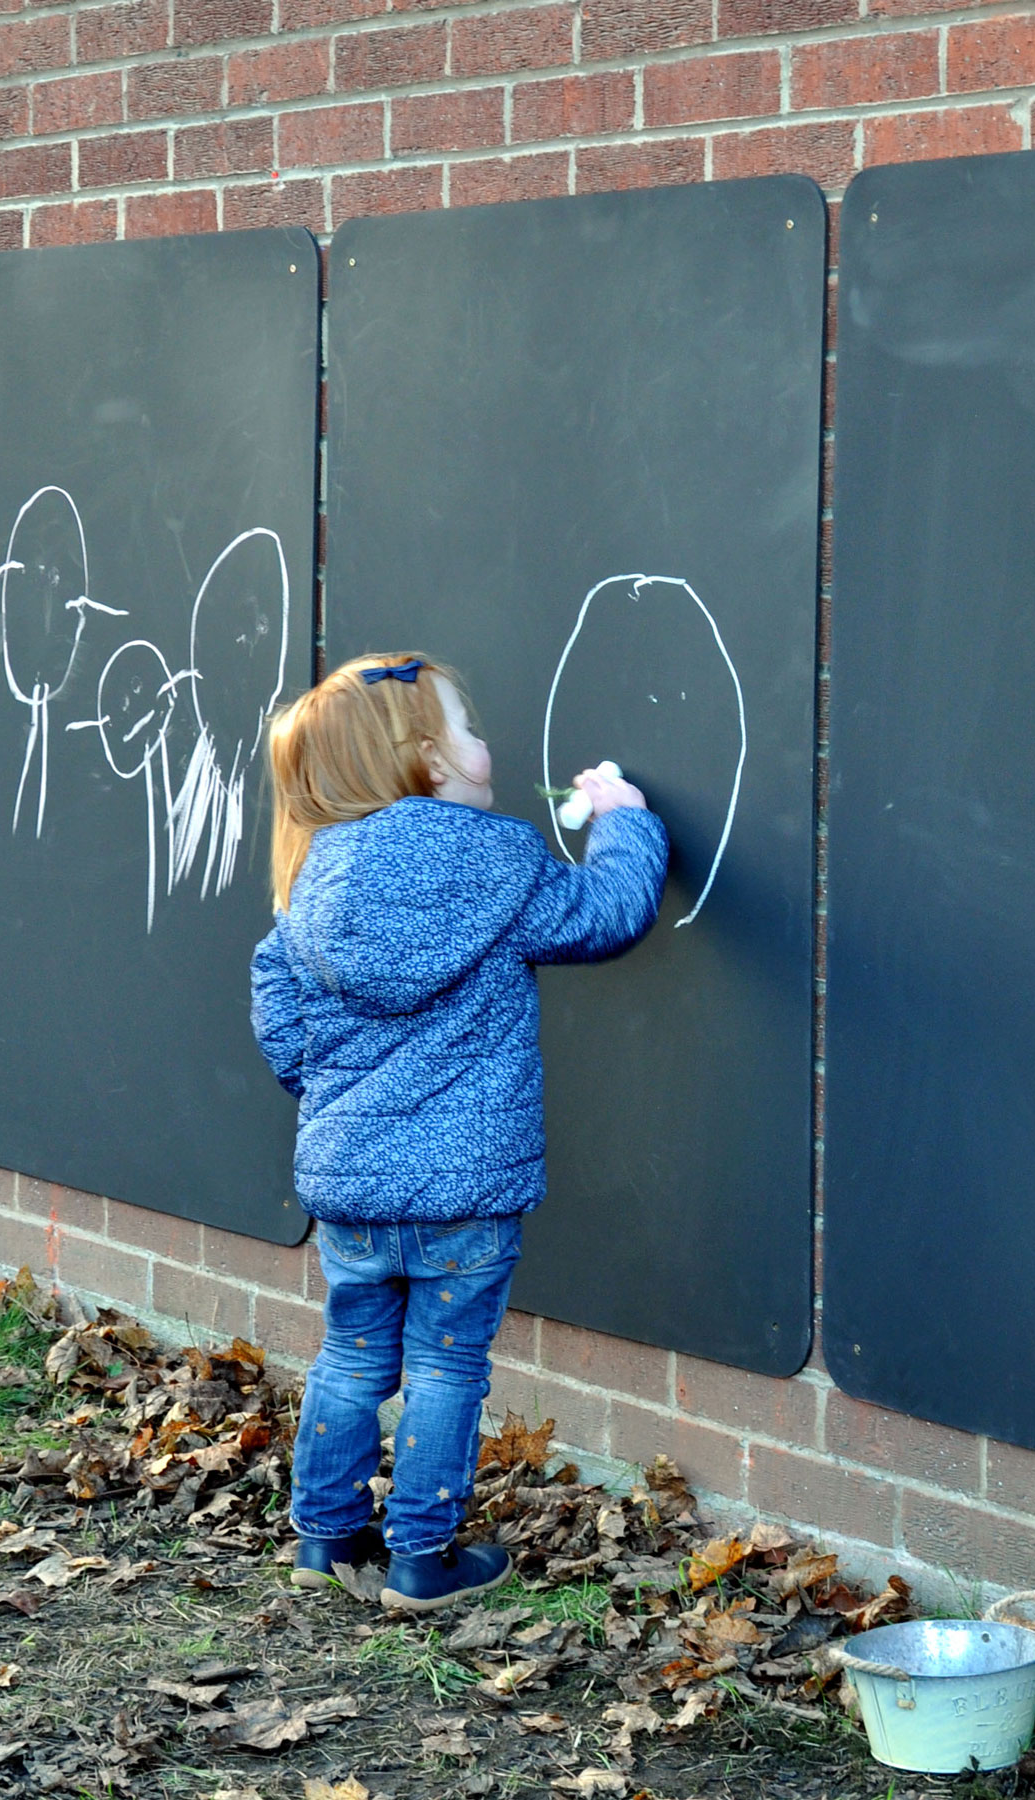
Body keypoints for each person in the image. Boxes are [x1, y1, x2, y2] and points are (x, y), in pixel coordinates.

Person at [249, 653, 667, 1612]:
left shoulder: (317, 871)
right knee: (445, 1365)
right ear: (431, 759)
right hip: (466, 1186)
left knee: (353, 1356)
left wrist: (313, 1079)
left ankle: (324, 1542)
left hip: (350, 1178)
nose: (490, 747)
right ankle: (421, 1561)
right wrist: (626, 824)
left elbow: (274, 980)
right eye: (470, 729)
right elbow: (605, 915)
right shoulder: (495, 861)